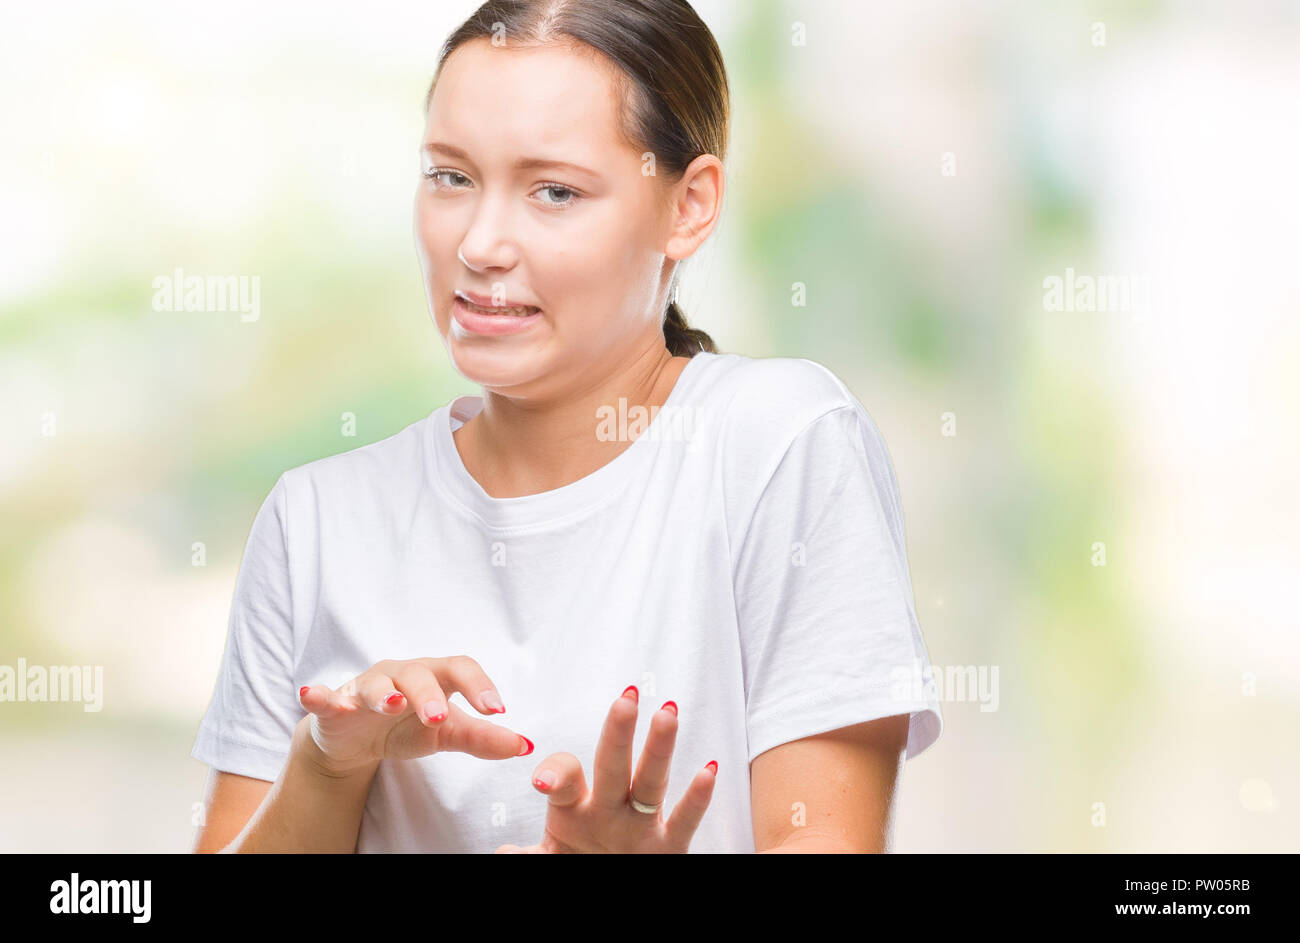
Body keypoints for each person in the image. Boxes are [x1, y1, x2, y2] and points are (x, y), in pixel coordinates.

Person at [190, 0, 942, 854]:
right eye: (450, 176)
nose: (480, 242)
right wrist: (327, 768)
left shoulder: (780, 445)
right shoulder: (318, 519)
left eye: (554, 191)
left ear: (689, 205)